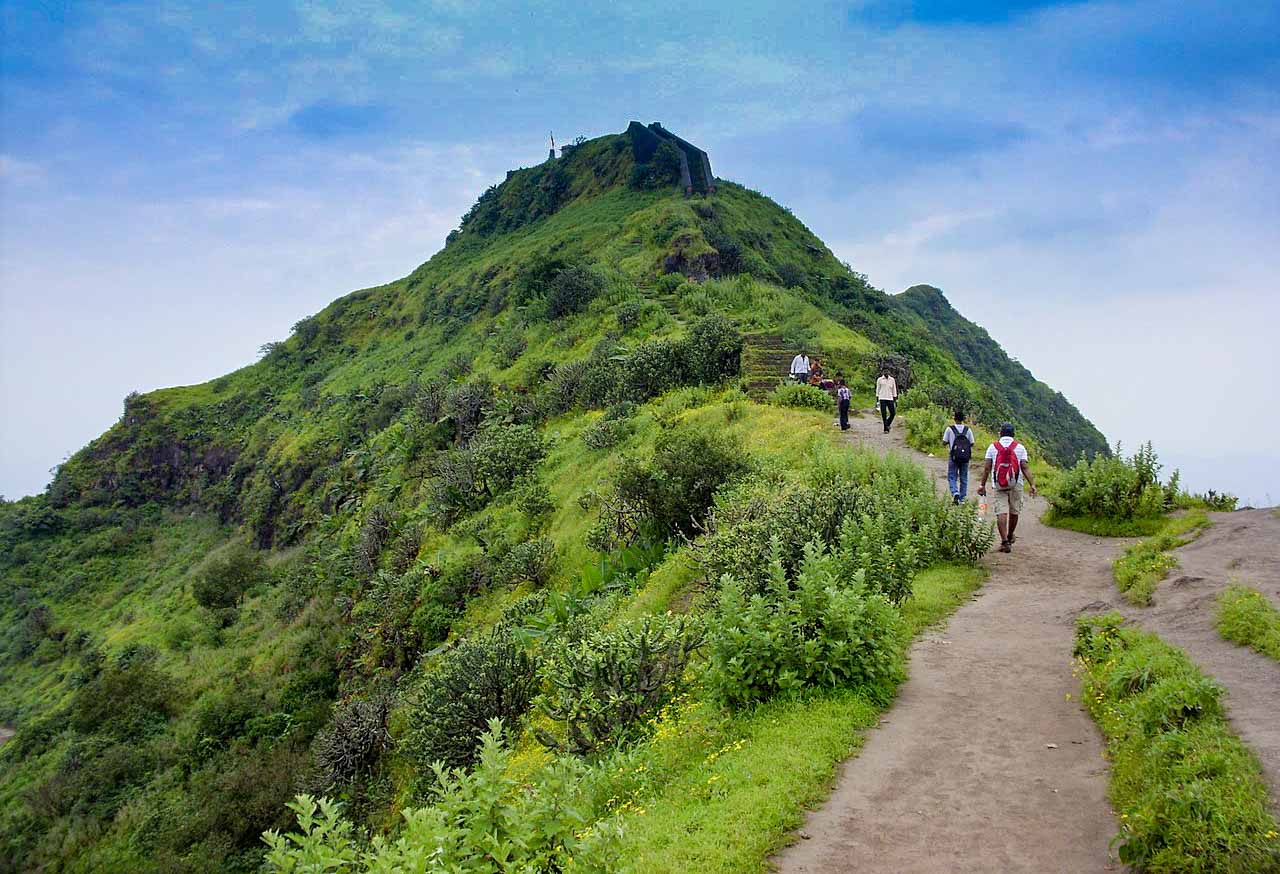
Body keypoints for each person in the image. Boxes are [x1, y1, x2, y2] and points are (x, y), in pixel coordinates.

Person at [977, 423, 1038, 553]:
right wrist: (1032, 484)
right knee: (1014, 511)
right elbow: (1025, 467)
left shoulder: (993, 447)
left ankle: (1004, 542)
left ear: (1000, 433)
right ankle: (1010, 535)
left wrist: (982, 485)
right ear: (1013, 434)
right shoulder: (1020, 448)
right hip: (1016, 483)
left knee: (1001, 512)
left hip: (999, 484)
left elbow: (987, 468)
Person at [942, 411, 974, 504]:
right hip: (965, 458)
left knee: (952, 476)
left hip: (953, 457)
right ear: (963, 419)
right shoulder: (968, 430)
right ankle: (962, 498)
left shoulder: (949, 429)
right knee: (964, 477)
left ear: (954, 418)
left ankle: (955, 492)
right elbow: (972, 443)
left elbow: (944, 442)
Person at [875, 368, 898, 433]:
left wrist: (895, 399)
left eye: (887, 371)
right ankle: (885, 429)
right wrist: (877, 399)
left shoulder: (892, 380)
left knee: (893, 413)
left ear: (889, 372)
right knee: (884, 413)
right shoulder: (880, 380)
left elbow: (894, 390)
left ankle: (887, 423)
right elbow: (878, 389)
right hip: (882, 398)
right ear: (882, 372)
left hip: (890, 398)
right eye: (884, 371)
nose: (886, 372)